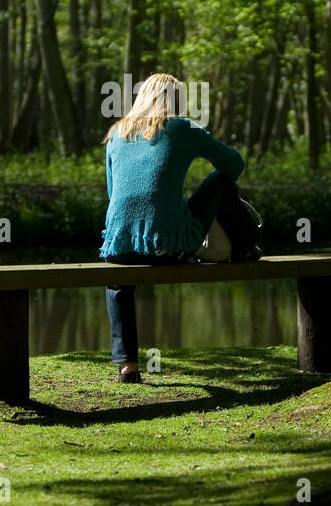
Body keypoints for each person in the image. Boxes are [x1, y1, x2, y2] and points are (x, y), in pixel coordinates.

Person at [99, 73, 262, 384]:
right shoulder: (182, 128)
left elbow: (113, 193)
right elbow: (234, 166)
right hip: (169, 248)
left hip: (117, 249)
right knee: (220, 181)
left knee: (118, 277)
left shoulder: (117, 133)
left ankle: (127, 367)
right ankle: (246, 246)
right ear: (176, 102)